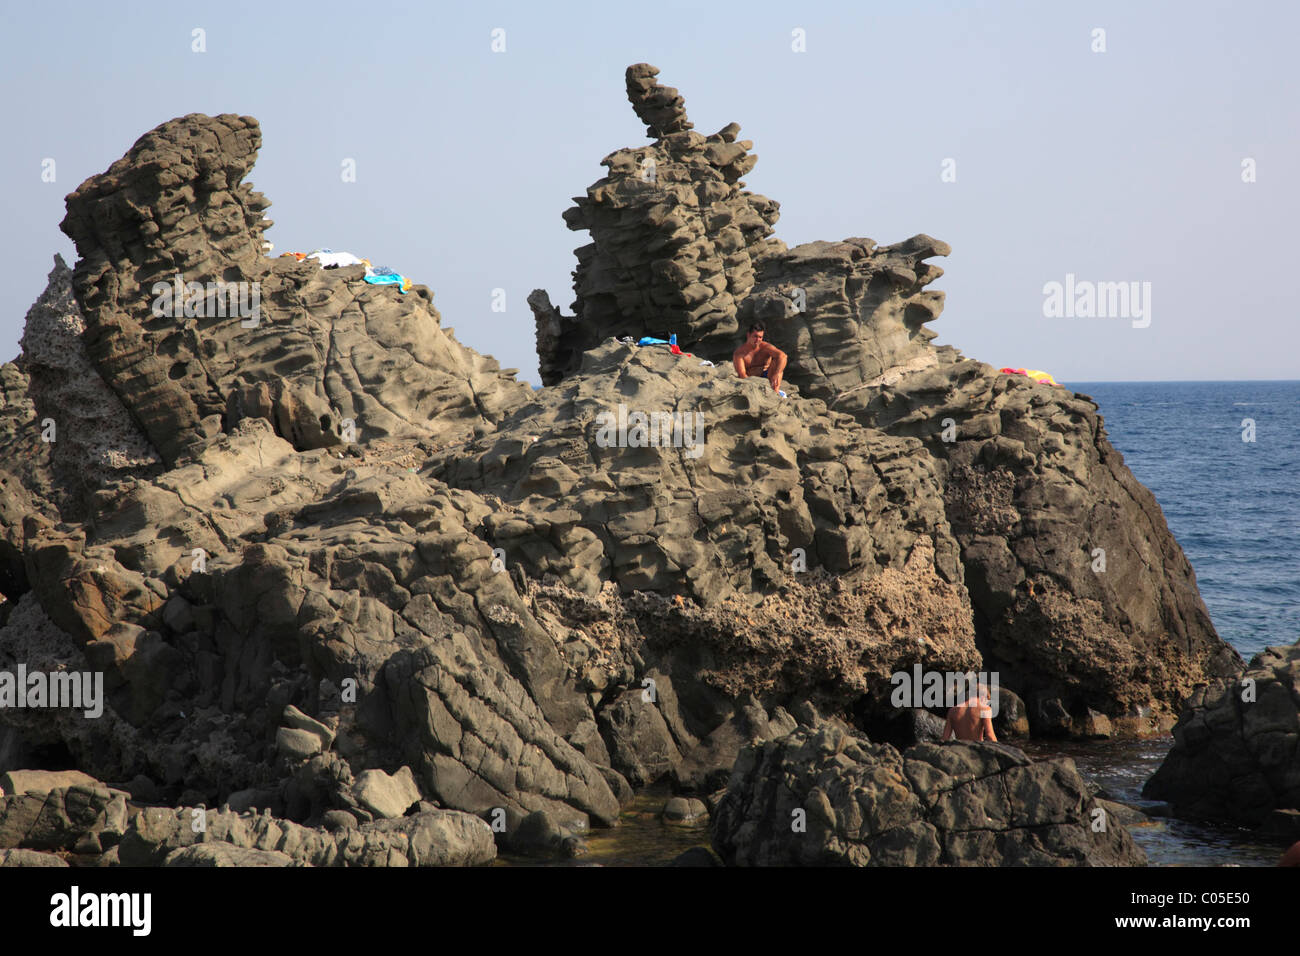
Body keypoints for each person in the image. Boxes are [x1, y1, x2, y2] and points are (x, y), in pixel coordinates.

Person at [733, 321, 787, 393]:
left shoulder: (765, 347)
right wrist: (757, 385)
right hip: (751, 381)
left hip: (768, 378)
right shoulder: (739, 354)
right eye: (755, 336)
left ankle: (775, 391)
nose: (758, 340)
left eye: (760, 337)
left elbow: (783, 356)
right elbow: (742, 375)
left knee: (778, 362)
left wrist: (777, 374)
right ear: (748, 335)